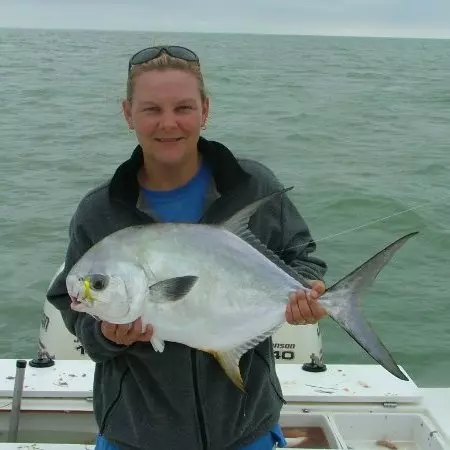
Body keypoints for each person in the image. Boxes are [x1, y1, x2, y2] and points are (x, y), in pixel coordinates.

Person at [47, 45, 328, 450]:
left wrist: (304, 293)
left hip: (244, 427)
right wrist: (106, 333)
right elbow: (70, 304)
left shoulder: (252, 187)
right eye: (150, 109)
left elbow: (304, 259)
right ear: (128, 114)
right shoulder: (100, 210)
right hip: (134, 434)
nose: (168, 123)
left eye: (183, 107)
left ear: (205, 110)